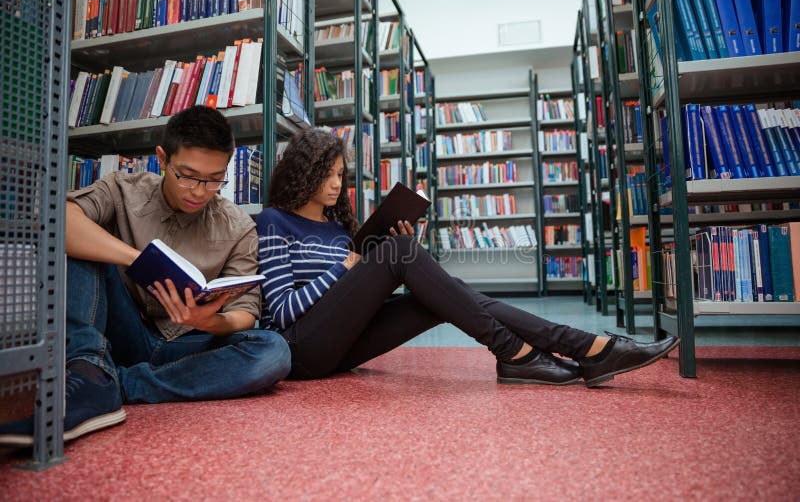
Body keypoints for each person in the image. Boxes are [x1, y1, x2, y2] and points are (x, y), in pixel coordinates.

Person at [255, 129, 679, 386]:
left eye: (340, 176)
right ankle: (537, 351)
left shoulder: (337, 227)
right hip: (301, 352)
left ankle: (569, 348)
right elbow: (281, 313)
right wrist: (346, 267)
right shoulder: (275, 221)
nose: (335, 184)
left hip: (341, 349)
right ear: (302, 172)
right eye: (326, 174)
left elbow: (358, 307)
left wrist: (383, 267)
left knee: (439, 295)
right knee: (403, 253)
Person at [0, 106, 290, 447]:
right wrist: (138, 259)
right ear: (163, 159)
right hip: (123, 330)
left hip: (186, 343)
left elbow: (247, 312)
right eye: (187, 175)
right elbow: (57, 222)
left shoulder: (239, 226)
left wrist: (208, 321)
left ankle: (114, 384)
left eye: (214, 180)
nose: (199, 190)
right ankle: (89, 367)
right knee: (80, 246)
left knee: (273, 351)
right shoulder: (124, 189)